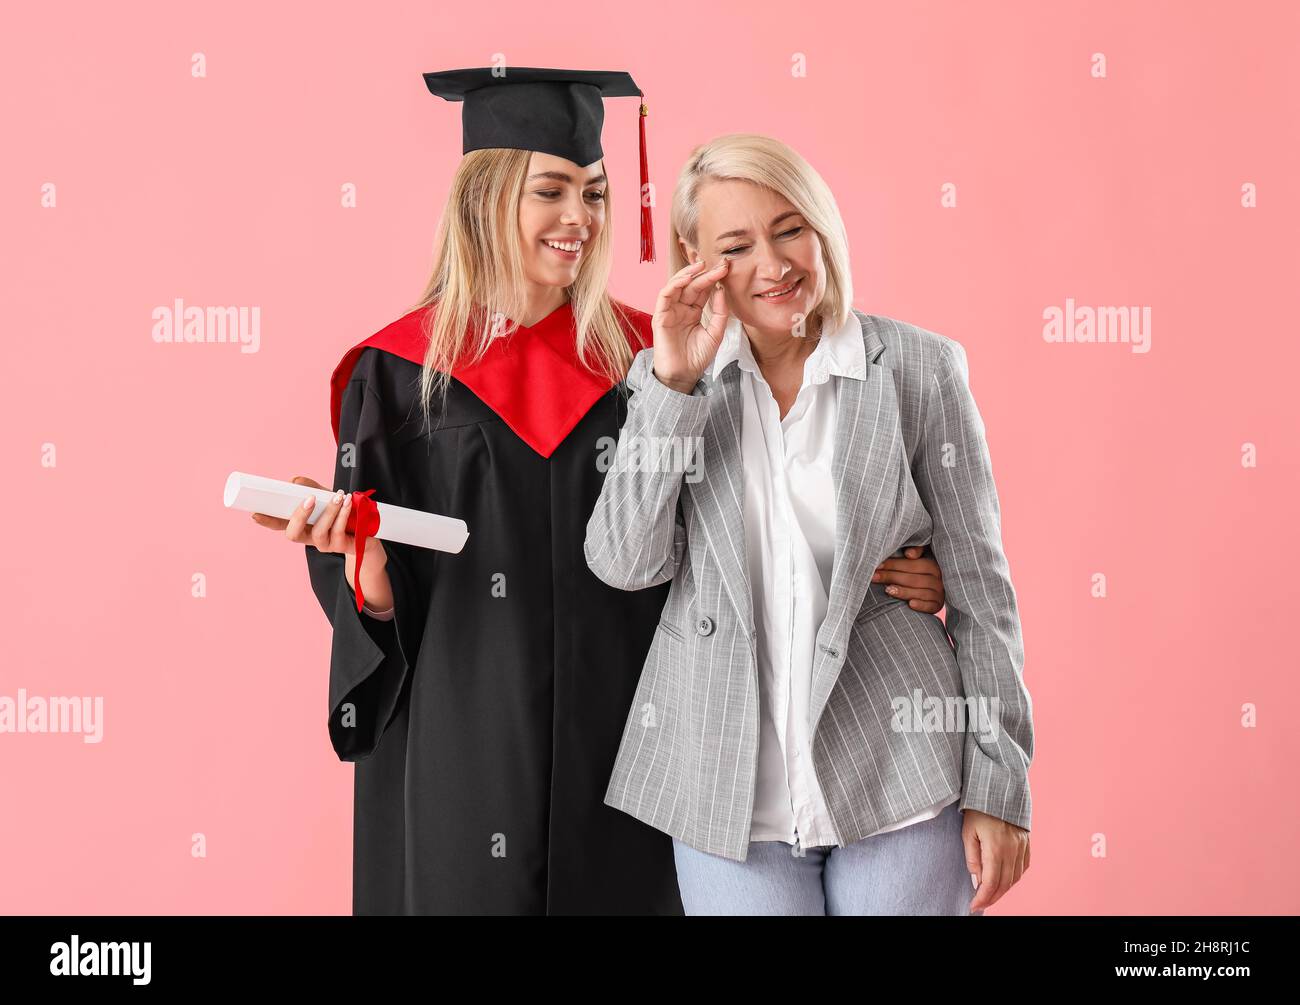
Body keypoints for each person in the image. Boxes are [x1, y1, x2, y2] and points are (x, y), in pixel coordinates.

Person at [252, 73, 949, 915]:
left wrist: (904, 569)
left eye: (595, 192)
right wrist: (367, 577)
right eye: (550, 191)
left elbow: (759, 509)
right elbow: (380, 597)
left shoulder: (653, 361)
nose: (579, 217)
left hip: (634, 735)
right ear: (484, 200)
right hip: (465, 734)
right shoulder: (402, 374)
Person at [585, 133, 1032, 915]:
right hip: (726, 796)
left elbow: (984, 594)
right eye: (736, 244)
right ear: (695, 257)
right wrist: (673, 386)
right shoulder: (668, 383)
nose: (774, 263)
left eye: (789, 228)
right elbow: (624, 560)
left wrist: (1001, 783)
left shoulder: (920, 370)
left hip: (900, 775)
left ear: (822, 225)